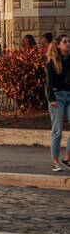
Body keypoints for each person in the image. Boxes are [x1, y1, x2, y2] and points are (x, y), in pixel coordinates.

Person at [45, 35, 70, 173]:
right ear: (59, 46)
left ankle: (67, 157)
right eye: (65, 42)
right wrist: (51, 99)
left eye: (69, 42)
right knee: (57, 131)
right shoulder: (52, 62)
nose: (68, 44)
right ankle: (55, 161)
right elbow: (48, 83)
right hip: (57, 97)